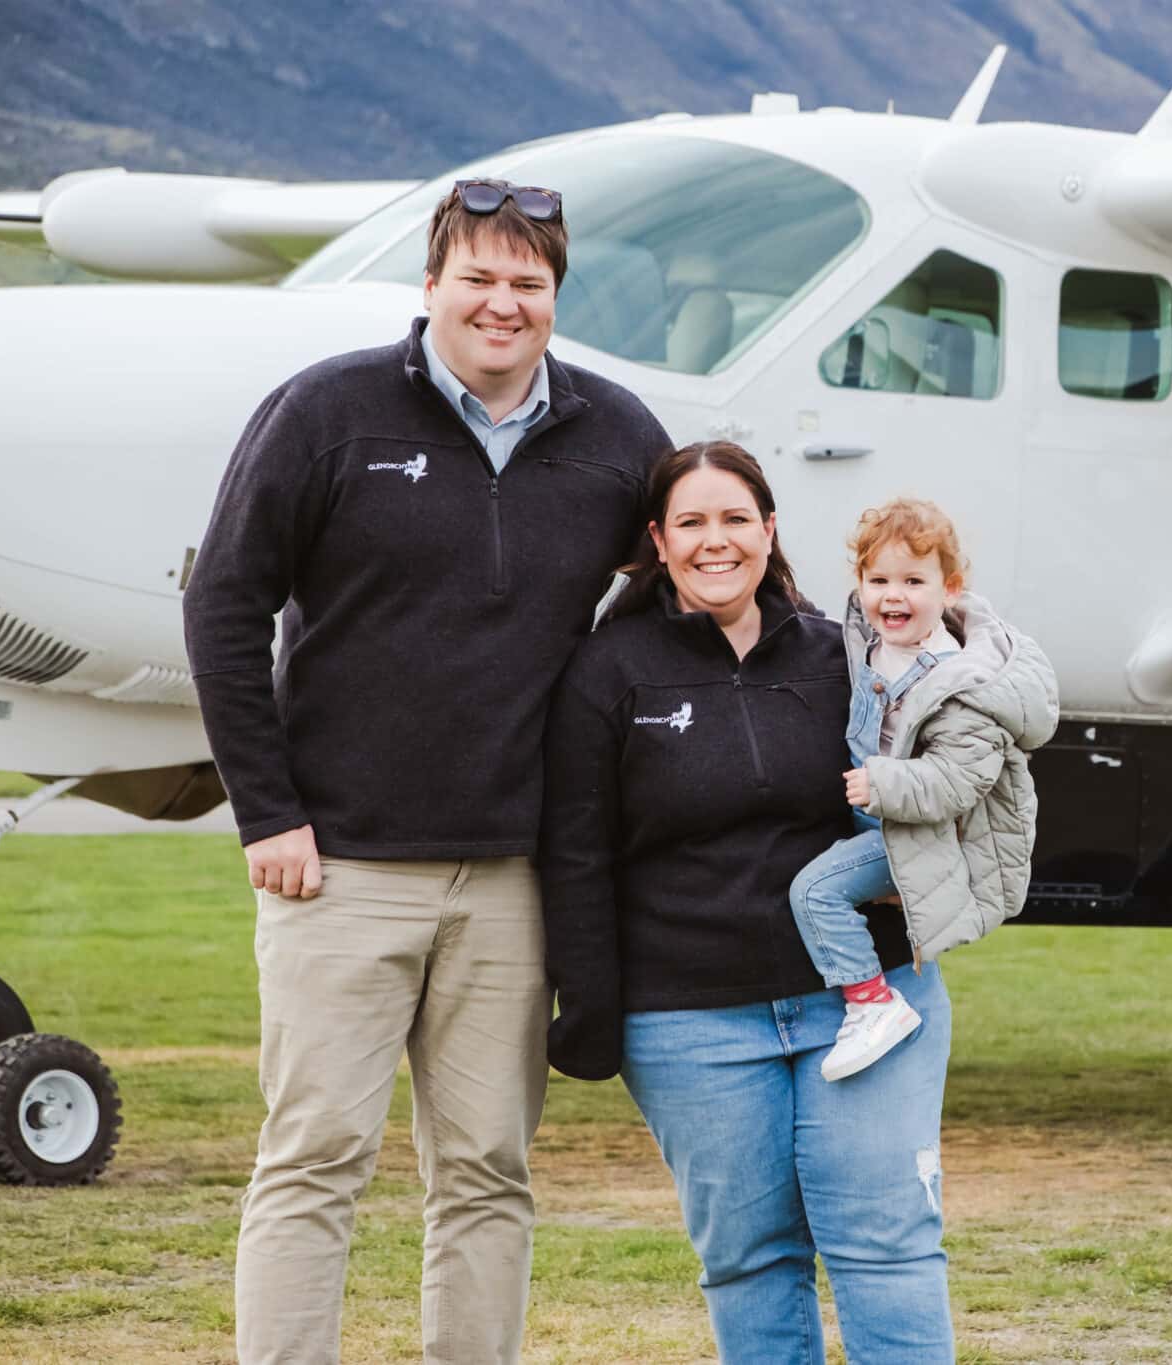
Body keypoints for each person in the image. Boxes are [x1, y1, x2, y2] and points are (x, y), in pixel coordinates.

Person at [182, 178, 673, 1364]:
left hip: (514, 878)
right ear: (431, 287)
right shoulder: (324, 414)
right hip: (335, 869)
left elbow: (686, 602)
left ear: (556, 297)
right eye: (480, 279)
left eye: (529, 284)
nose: (503, 305)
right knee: (313, 1162)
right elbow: (222, 606)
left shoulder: (617, 440)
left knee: (489, 1172)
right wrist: (269, 813)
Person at [538, 444, 961, 1364]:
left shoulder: (846, 654)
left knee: (885, 1245)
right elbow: (575, 853)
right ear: (657, 540)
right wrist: (592, 1004)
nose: (714, 540)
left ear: (770, 530)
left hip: (869, 1002)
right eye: (689, 522)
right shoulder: (608, 673)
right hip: (690, 1021)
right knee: (751, 1259)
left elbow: (945, 769)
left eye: (735, 518)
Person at [789, 498, 1058, 1081]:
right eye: (878, 579)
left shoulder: (957, 682)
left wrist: (883, 783)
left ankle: (872, 1005)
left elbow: (959, 781)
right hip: (875, 819)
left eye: (913, 581)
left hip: (920, 834)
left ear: (950, 589)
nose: (893, 596)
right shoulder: (867, 643)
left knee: (815, 893)